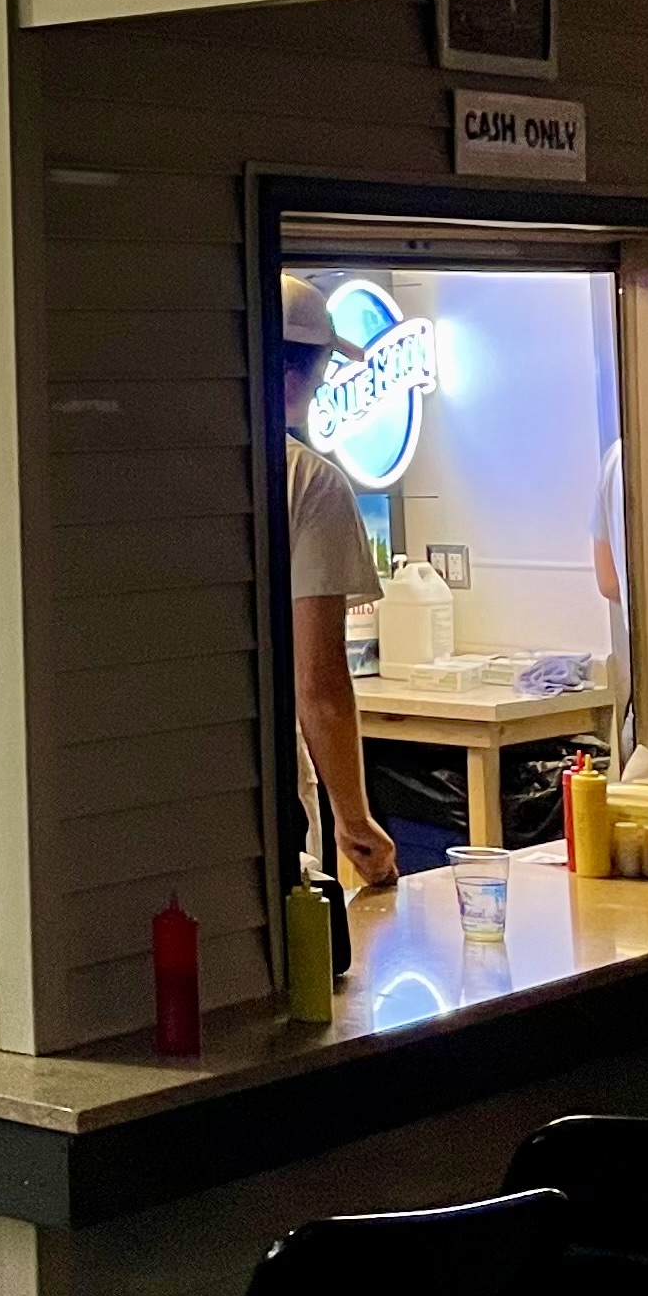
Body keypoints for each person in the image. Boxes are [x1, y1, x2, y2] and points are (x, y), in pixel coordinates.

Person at [275, 278, 398, 892]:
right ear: (296, 379)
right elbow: (318, 682)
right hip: (271, 787)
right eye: (323, 376)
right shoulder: (311, 484)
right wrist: (355, 819)